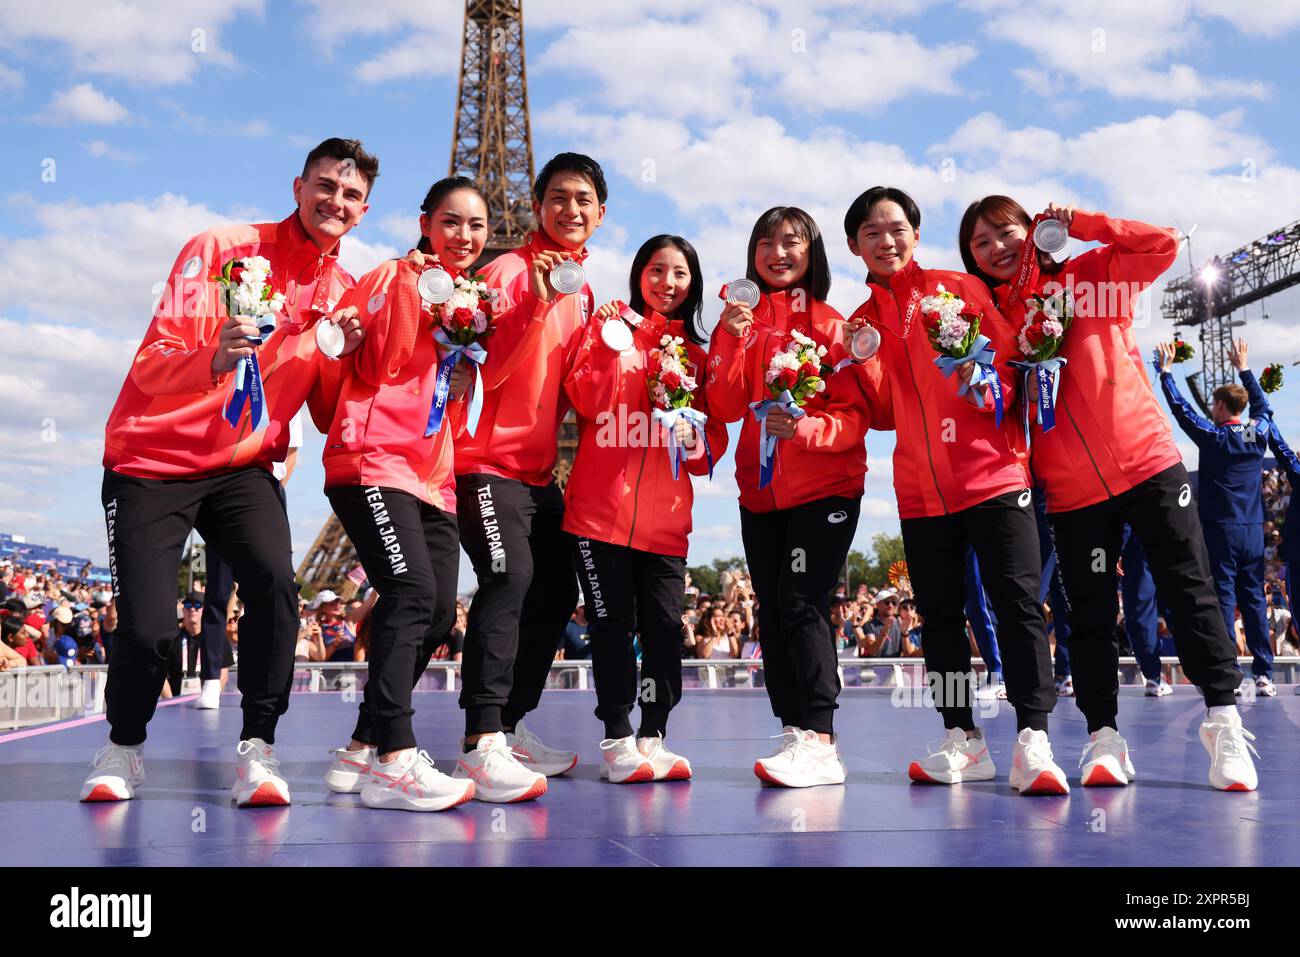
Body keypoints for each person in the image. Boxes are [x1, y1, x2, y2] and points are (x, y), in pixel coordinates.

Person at [81, 137, 374, 806]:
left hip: (242, 465)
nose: (336, 200)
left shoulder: (343, 290)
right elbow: (153, 362)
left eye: (352, 194)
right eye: (326, 185)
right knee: (151, 627)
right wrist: (212, 356)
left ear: (362, 212)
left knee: (275, 587)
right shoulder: (219, 248)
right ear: (297, 186)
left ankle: (258, 750)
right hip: (150, 458)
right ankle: (123, 745)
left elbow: (326, 413)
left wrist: (345, 355)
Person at [960, 194, 1256, 790]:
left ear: (1034, 230)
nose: (998, 248)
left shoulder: (1093, 275)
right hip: (1071, 489)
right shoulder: (993, 321)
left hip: (1147, 462)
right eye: (981, 243)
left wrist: (1085, 224)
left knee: (1190, 590)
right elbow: (1004, 403)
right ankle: (1103, 739)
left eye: (1006, 232)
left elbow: (1163, 245)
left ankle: (1222, 721)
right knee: (1088, 616)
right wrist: (978, 385)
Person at [848, 186, 1065, 795]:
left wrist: (983, 378)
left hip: (994, 476)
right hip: (921, 492)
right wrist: (860, 364)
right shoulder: (859, 326)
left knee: (1019, 608)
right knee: (941, 621)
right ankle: (963, 739)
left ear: (915, 235)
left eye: (896, 229)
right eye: (871, 233)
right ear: (854, 246)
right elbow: (884, 412)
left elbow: (1014, 361)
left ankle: (1034, 741)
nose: (885, 241)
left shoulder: (958, 288)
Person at [320, 176, 503, 811]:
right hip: (374, 458)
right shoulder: (392, 278)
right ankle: (395, 758)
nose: (465, 236)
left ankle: (363, 743)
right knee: (410, 592)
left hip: (433, 473)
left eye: (477, 226)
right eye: (451, 222)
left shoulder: (473, 298)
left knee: (433, 616)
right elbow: (377, 365)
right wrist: (422, 301)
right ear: (426, 223)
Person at [708, 205, 889, 788]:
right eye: (766, 241)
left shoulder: (834, 325)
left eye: (792, 241)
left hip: (827, 487)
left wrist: (805, 431)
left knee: (800, 601)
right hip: (759, 494)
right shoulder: (737, 323)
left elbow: (861, 417)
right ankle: (793, 730)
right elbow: (727, 407)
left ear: (813, 253)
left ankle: (821, 736)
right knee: (772, 608)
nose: (778, 252)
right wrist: (732, 341)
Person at [446, 153, 605, 784]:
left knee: (554, 592)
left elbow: (575, 387)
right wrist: (535, 307)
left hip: (539, 471)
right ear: (538, 204)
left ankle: (508, 725)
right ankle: (481, 733)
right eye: (559, 197)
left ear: (600, 213)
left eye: (584, 200)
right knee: (508, 579)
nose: (571, 209)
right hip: (485, 461)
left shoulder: (583, 289)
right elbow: (486, 369)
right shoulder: (503, 272)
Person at [564, 234, 728, 782]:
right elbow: (582, 401)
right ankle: (615, 736)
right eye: (657, 271)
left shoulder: (699, 356)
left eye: (679, 273)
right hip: (598, 514)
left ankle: (653, 733)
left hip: (665, 524)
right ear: (639, 275)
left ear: (693, 283)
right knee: (611, 627)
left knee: (663, 628)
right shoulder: (609, 332)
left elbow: (711, 453)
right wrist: (611, 346)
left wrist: (692, 439)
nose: (667, 283)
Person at [1159, 339, 1274, 696]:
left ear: (1222, 406)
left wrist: (1166, 374)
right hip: (1254, 530)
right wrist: (1244, 368)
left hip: (1220, 530)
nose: (1210, 408)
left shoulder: (1214, 436)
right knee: (1253, 599)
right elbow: (1265, 409)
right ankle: (1265, 674)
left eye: (1213, 403)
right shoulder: (1257, 433)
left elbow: (1182, 412)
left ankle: (1230, 673)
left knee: (1223, 598)